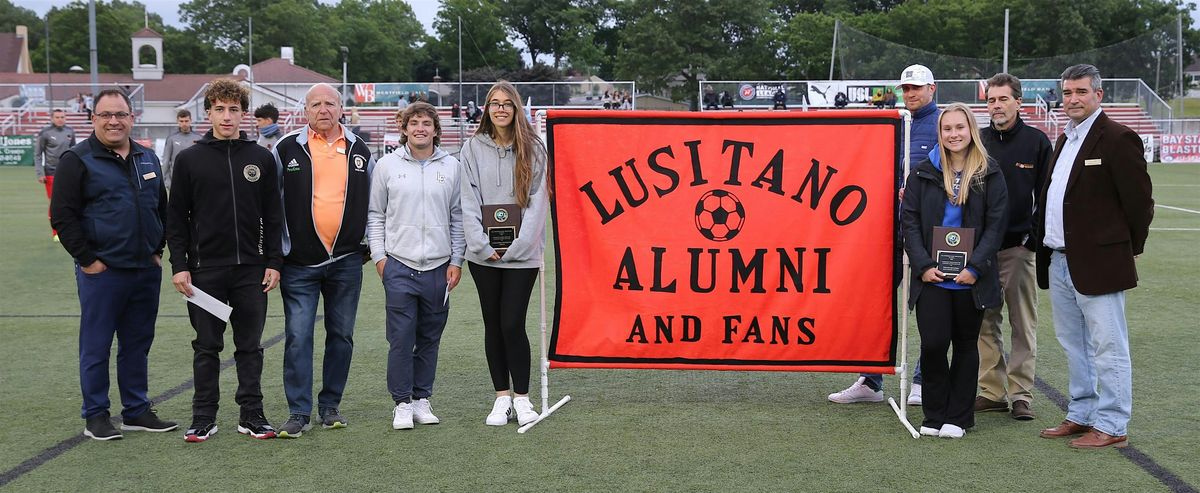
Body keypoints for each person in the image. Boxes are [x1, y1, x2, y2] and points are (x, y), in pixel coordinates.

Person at [1035, 64, 1154, 449]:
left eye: (1081, 92)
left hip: (1099, 262)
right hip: (1059, 259)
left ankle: (1113, 423)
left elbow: (1140, 204)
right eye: (1067, 93)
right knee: (1074, 345)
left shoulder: (1118, 138)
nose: (1073, 99)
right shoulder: (1065, 139)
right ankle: (1082, 413)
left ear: (1098, 95)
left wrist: (1122, 250)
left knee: (1108, 345)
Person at [50, 89, 177, 441]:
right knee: (97, 345)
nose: (114, 121)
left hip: (144, 271)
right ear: (93, 119)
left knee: (137, 343)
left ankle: (136, 410)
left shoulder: (147, 158)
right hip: (102, 273)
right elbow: (62, 215)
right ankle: (96, 415)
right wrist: (88, 261)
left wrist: (158, 250)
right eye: (105, 115)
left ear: (132, 118)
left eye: (120, 114)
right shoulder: (77, 160)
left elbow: (161, 209)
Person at [166, 79, 282, 442]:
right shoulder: (189, 159)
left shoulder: (260, 157)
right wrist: (180, 265)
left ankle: (252, 414)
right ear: (209, 112)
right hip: (205, 272)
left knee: (249, 346)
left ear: (243, 114)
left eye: (234, 109)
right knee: (207, 346)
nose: (227, 116)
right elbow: (176, 219)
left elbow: (273, 214)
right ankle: (203, 416)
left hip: (251, 271)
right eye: (220, 109)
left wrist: (273, 261)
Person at [829, 64, 938, 406]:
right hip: (884, 229)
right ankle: (870, 379)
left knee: (930, 305)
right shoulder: (892, 123)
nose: (910, 94)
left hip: (927, 230)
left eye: (916, 88)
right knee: (875, 304)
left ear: (932, 89)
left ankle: (923, 379)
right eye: (906, 88)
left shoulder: (943, 125)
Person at [273, 83, 374, 438]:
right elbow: (271, 204)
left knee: (342, 335)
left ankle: (330, 406)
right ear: (306, 110)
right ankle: (298, 412)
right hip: (299, 264)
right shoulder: (285, 148)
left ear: (341, 108)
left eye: (329, 103)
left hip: (346, 261)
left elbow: (373, 204)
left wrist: (368, 245)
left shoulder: (360, 150)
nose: (323, 109)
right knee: (298, 336)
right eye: (315, 104)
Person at [902, 102, 1007, 438]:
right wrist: (922, 265)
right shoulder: (921, 171)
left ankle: (959, 418)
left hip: (970, 280)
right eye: (947, 129)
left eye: (960, 128)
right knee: (933, 344)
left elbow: (996, 224)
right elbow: (910, 221)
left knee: (964, 346)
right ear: (940, 132)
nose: (954, 134)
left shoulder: (989, 171)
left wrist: (975, 267)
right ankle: (934, 415)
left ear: (971, 130)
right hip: (932, 277)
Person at [366, 102, 464, 430]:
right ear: (404, 129)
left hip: (438, 267)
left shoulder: (452, 167)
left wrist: (456, 260)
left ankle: (422, 398)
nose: (420, 128)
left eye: (426, 123)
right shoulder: (387, 166)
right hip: (399, 265)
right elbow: (376, 214)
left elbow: (457, 216)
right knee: (401, 338)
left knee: (429, 337)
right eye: (414, 123)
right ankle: (402, 402)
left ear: (436, 129)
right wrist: (380, 257)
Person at [460, 81, 549, 427]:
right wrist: (482, 245)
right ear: (486, 109)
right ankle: (502, 398)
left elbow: (539, 202)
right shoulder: (471, 148)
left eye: (506, 104)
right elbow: (467, 200)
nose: (500, 109)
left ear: (516, 109)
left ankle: (524, 398)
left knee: (512, 322)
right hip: (483, 256)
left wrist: (518, 246)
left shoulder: (535, 148)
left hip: (521, 256)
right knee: (493, 324)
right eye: (494, 103)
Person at [976, 73, 1052, 420]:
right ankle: (991, 392)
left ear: (1018, 102)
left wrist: (1031, 241)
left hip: (1019, 249)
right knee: (985, 323)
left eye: (1003, 99)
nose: (996, 106)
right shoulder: (977, 140)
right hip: (981, 252)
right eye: (991, 100)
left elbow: (1048, 196)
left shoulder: (1037, 142)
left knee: (1023, 324)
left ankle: (1021, 394)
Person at [35, 108, 76, 241]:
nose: (60, 119)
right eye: (57, 117)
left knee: (71, 201)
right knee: (55, 203)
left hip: (68, 172)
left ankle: (71, 229)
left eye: (63, 117)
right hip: (51, 173)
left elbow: (74, 152)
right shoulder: (45, 133)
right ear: (52, 118)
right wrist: (40, 173)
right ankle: (56, 232)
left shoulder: (70, 131)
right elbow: (37, 154)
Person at [162, 109, 200, 189]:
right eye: (181, 121)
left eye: (186, 121)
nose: (184, 124)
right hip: (176, 180)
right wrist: (164, 180)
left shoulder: (199, 138)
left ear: (191, 121)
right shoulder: (171, 139)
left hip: (195, 180)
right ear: (177, 121)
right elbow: (166, 161)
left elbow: (203, 160)